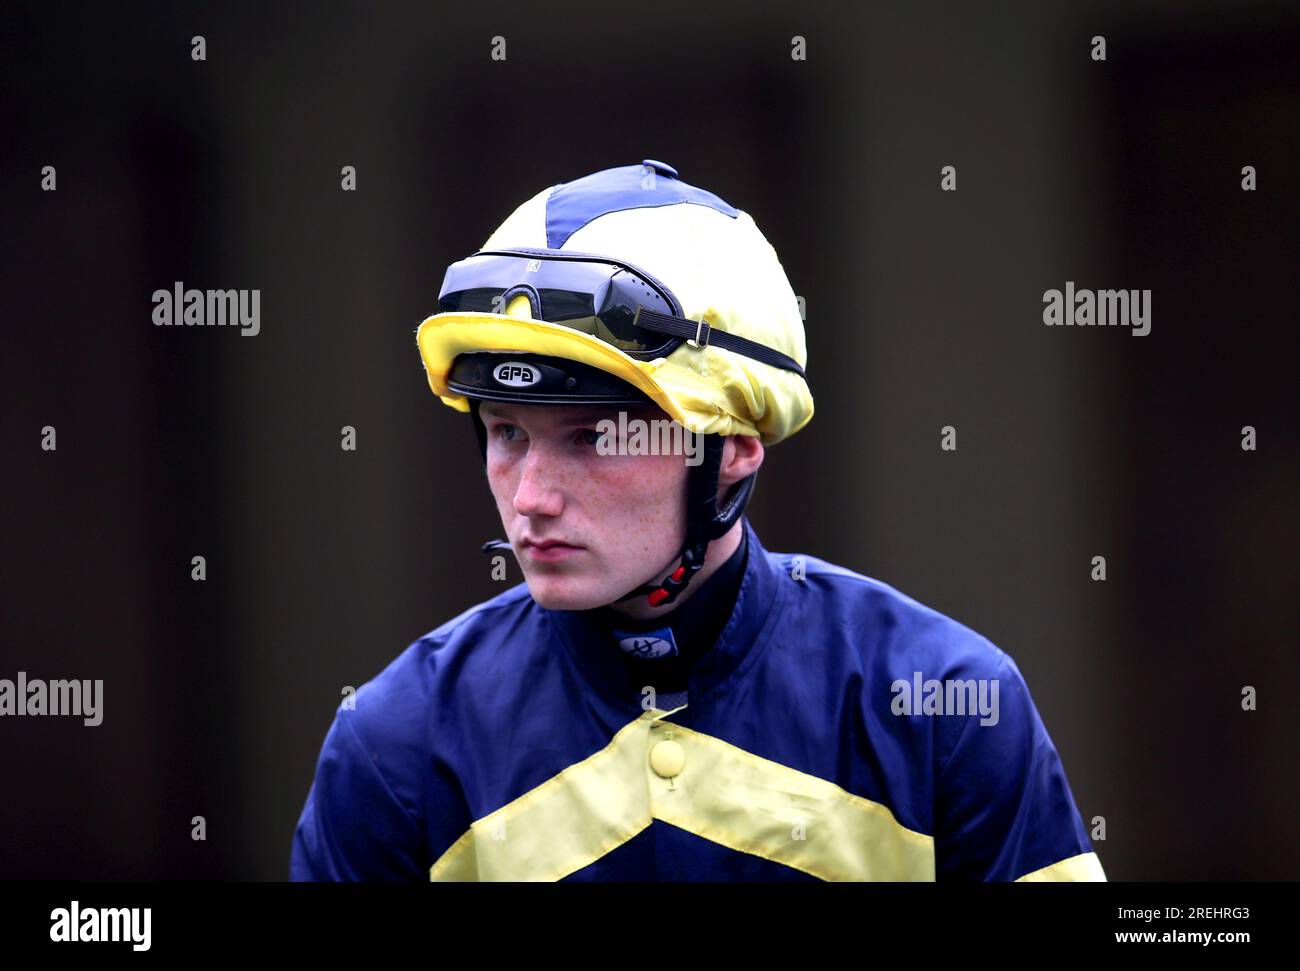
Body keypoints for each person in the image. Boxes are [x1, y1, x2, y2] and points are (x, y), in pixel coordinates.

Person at [289, 159, 1106, 882]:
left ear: (737, 448)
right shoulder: (393, 741)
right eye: (507, 431)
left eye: (592, 435)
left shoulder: (949, 706)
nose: (530, 495)